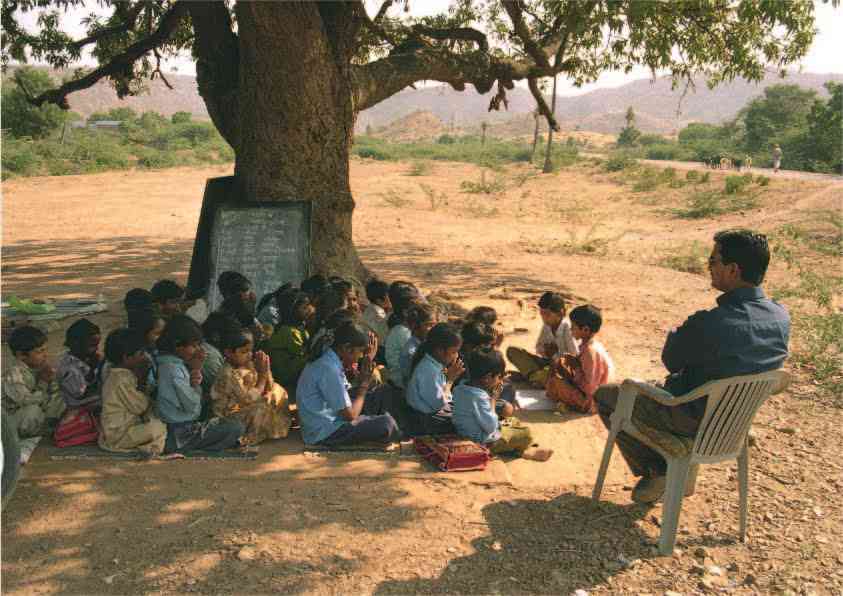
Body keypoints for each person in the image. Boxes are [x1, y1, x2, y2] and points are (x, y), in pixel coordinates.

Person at [596, 229, 790, 503]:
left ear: (733, 270)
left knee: (606, 395)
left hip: (690, 419)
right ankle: (672, 470)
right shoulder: (781, 316)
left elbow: (671, 361)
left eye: (713, 262)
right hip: (735, 421)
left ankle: (659, 471)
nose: (708, 268)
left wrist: (681, 330)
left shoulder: (711, 322)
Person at [296, 322, 400, 447]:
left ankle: (374, 423)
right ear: (347, 348)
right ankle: (387, 426)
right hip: (325, 431)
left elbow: (346, 393)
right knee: (387, 423)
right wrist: (363, 386)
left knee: (384, 392)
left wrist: (364, 373)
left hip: (333, 416)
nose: (360, 356)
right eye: (360, 352)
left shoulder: (330, 357)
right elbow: (350, 415)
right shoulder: (329, 368)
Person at [156, 315, 244, 453]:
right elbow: (192, 406)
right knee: (235, 427)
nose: (197, 350)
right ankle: (190, 447)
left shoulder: (170, 364)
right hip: (179, 432)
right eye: (193, 345)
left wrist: (195, 373)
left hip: (179, 427)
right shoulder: (172, 369)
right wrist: (196, 378)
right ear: (178, 345)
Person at [453, 348, 553, 461]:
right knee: (526, 433)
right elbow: (491, 427)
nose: (500, 381)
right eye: (499, 377)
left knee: (514, 421)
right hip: (482, 441)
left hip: (465, 432)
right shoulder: (479, 397)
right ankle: (523, 451)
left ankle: (521, 449)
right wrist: (493, 399)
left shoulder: (460, 388)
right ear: (488, 378)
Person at [211, 329, 291, 445]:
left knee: (277, 391)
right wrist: (262, 377)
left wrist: (266, 370)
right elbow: (247, 400)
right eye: (244, 352)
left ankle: (274, 428)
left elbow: (269, 386)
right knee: (260, 408)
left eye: (250, 351)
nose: (249, 355)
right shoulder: (227, 373)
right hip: (228, 417)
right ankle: (246, 438)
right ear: (228, 353)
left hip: (245, 407)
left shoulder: (248, 365)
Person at [98, 329, 167, 455]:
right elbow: (139, 406)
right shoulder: (120, 379)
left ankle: (150, 446)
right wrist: (142, 378)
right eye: (140, 353)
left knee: (154, 421)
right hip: (119, 435)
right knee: (158, 427)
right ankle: (151, 449)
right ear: (127, 358)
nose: (144, 357)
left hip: (124, 430)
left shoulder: (120, 374)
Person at [547, 304, 615, 414]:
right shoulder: (591, 345)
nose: (571, 329)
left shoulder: (589, 351)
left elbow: (590, 387)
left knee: (554, 383)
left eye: (573, 326)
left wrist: (573, 374)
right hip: (598, 397)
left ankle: (575, 405)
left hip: (593, 402)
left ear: (585, 329)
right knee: (560, 365)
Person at [2, 326, 66, 437]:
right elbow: (25, 401)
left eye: (45, 349)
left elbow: (52, 392)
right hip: (12, 416)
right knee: (32, 411)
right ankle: (43, 429)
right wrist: (44, 382)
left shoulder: (38, 366)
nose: (45, 355)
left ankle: (50, 423)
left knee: (62, 395)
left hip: (37, 406)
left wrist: (53, 380)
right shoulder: (14, 373)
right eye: (39, 352)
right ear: (21, 355)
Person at [506, 291, 578, 386]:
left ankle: (530, 377)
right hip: (547, 364)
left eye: (547, 314)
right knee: (512, 351)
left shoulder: (568, 329)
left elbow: (574, 361)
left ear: (561, 313)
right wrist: (546, 351)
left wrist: (555, 355)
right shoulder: (547, 325)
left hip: (563, 370)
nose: (544, 318)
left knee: (549, 374)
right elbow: (538, 348)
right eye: (542, 314)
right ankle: (533, 377)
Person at [405, 323, 465, 435]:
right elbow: (441, 404)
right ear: (440, 351)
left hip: (429, 416)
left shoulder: (434, 365)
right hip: (424, 422)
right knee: (466, 414)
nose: (456, 356)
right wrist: (450, 380)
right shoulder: (428, 370)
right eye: (453, 352)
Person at [265, 290, 314, 398]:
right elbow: (304, 356)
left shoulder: (297, 329)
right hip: (286, 381)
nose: (309, 311)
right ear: (292, 310)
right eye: (304, 308)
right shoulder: (288, 332)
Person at [56, 318, 104, 411]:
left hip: (88, 397)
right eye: (92, 345)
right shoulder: (68, 368)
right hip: (78, 404)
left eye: (97, 345)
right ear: (75, 343)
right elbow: (80, 394)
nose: (96, 349)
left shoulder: (84, 358)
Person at [199, 312, 242, 397]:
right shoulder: (209, 355)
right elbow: (228, 390)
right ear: (216, 336)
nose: (235, 341)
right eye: (232, 336)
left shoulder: (213, 351)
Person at [398, 303, 436, 387]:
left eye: (434, 324)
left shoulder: (430, 344)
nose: (433, 328)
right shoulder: (410, 352)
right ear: (414, 326)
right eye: (428, 325)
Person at [362, 278, 392, 348]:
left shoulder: (370, 309)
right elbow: (383, 337)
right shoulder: (377, 314)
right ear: (379, 300)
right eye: (389, 296)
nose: (391, 299)